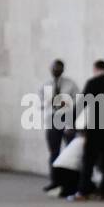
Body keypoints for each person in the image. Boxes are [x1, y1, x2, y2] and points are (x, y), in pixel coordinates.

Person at [71, 59, 104, 201]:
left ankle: (84, 191)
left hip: (95, 127)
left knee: (88, 160)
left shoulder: (92, 83)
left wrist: (71, 121)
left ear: (95, 69)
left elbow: (82, 103)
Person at [40, 60, 79, 191]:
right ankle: (55, 181)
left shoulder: (70, 84)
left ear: (62, 69)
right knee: (54, 152)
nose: (56, 70)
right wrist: (49, 102)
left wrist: (66, 104)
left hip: (67, 119)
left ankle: (70, 182)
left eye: (58, 68)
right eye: (54, 68)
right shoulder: (46, 85)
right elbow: (40, 103)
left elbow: (78, 101)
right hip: (52, 120)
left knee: (70, 151)